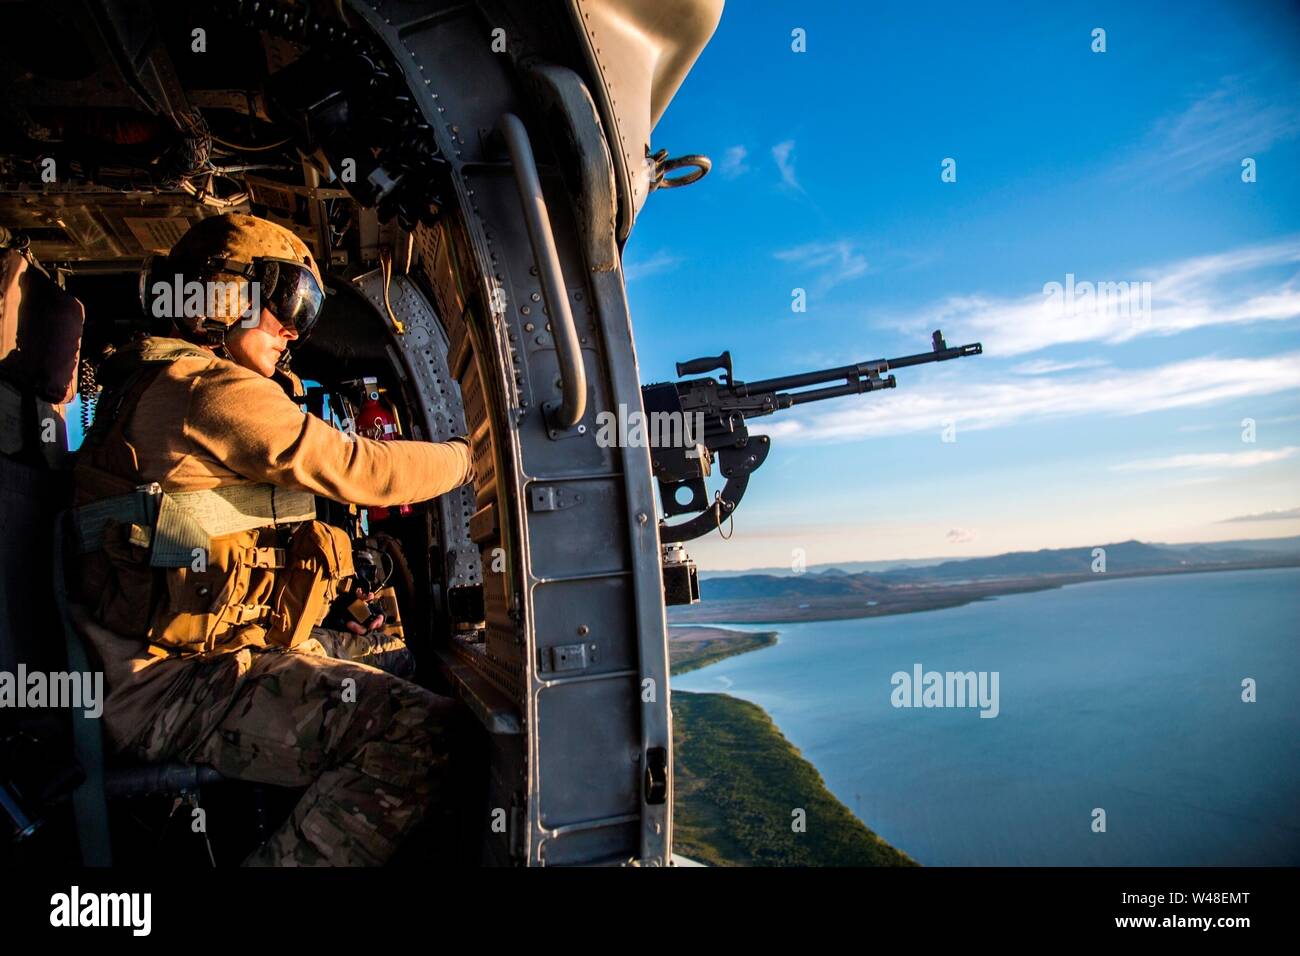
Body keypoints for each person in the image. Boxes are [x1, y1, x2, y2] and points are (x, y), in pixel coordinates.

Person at [70, 212, 475, 865]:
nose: (293, 330)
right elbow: (357, 469)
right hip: (169, 689)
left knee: (396, 652)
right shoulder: (203, 389)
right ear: (220, 295)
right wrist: (470, 455)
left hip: (180, 663)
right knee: (427, 732)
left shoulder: (148, 382)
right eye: (286, 302)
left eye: (307, 312)